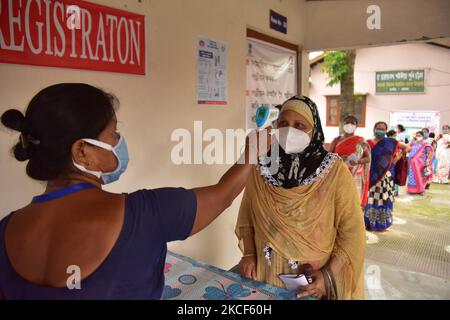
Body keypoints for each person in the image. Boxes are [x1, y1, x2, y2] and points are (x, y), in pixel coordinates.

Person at [0, 83, 270, 299]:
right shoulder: (144, 214)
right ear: (82, 151)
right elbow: (223, 195)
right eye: (113, 134)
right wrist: (252, 152)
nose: (119, 142)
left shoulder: (5, 230)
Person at [235, 96, 366, 300]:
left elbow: (352, 232)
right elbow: (247, 215)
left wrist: (327, 274)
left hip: (314, 281)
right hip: (265, 276)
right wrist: (249, 254)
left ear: (314, 131)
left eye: (299, 125)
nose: (290, 131)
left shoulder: (334, 171)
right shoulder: (262, 167)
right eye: (284, 124)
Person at [364, 121, 410, 231]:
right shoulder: (367, 143)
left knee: (384, 199)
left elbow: (407, 148)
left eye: (383, 129)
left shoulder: (390, 142)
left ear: (386, 130)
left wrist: (396, 159)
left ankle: (382, 223)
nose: (380, 130)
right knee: (371, 199)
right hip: (371, 175)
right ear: (374, 129)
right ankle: (369, 223)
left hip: (386, 176)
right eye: (378, 128)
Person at [329, 115, 371, 206]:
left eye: (352, 123)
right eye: (347, 122)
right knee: (340, 201)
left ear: (356, 126)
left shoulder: (361, 141)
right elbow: (328, 157)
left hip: (355, 176)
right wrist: (339, 159)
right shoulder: (336, 140)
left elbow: (367, 158)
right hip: (339, 174)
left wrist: (358, 162)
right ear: (343, 125)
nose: (349, 125)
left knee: (353, 202)